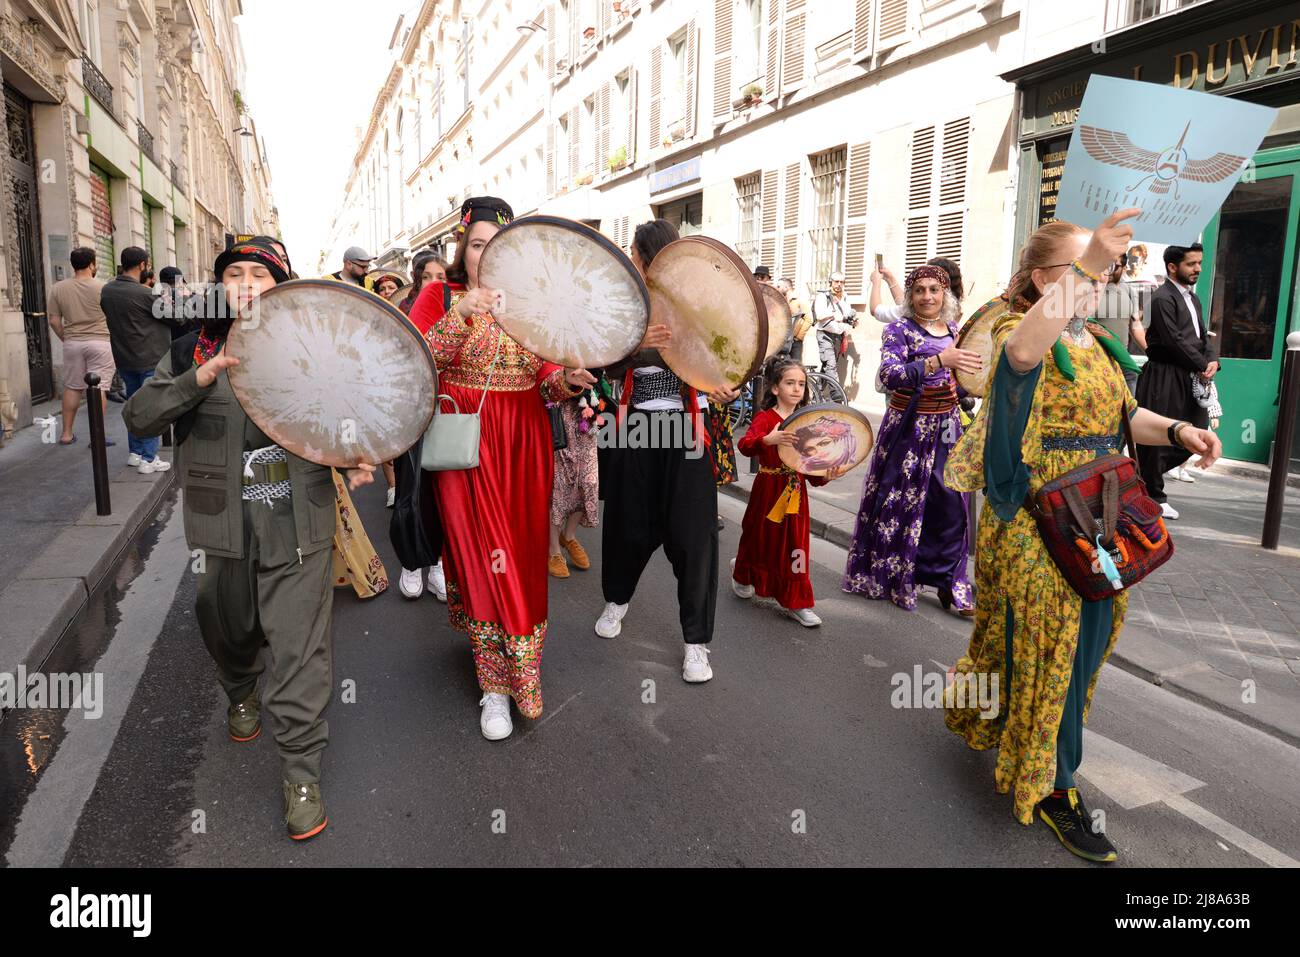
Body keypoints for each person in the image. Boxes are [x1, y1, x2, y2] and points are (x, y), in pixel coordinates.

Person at [943, 210, 1222, 862]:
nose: (1094, 281)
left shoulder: (1094, 341)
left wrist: (1181, 432)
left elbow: (1128, 417)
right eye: (1077, 269)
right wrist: (1096, 258)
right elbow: (1017, 357)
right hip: (1039, 527)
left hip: (1103, 519)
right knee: (1053, 657)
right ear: (1044, 278)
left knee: (1085, 648)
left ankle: (1019, 729)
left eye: (1097, 271)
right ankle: (1053, 785)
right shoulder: (1021, 332)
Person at [123, 238, 378, 840]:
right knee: (224, 620)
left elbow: (341, 420)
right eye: (232, 273)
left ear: (281, 284)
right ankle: (239, 686)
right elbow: (139, 417)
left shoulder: (314, 353)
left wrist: (353, 459)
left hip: (300, 519)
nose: (244, 282)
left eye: (257, 274)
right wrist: (197, 378)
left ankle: (301, 772)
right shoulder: (193, 347)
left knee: (299, 647)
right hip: (221, 524)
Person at [408, 196, 594, 741]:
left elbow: (546, 381)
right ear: (463, 249)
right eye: (479, 244)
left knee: (522, 556)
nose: (487, 254)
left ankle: (525, 670)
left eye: (500, 246)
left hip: (524, 444)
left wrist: (570, 382)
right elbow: (416, 361)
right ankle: (493, 685)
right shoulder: (440, 297)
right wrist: (458, 318)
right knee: (472, 556)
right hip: (464, 444)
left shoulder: (532, 307)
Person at [595, 219, 738, 684]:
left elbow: (727, 361)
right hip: (635, 425)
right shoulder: (627, 304)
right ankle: (617, 599)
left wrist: (726, 390)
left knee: (695, 535)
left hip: (686, 429)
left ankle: (696, 644)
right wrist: (638, 348)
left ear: (647, 254)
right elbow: (605, 365)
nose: (632, 260)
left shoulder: (698, 305)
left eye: (635, 252)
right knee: (627, 524)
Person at [843, 264, 979, 615]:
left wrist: (970, 383)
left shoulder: (952, 328)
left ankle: (952, 582)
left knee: (952, 505)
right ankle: (896, 575)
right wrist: (937, 362)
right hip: (909, 427)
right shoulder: (898, 330)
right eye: (920, 290)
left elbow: (959, 376)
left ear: (945, 295)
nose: (927, 296)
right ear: (911, 296)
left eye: (935, 290)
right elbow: (890, 376)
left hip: (948, 425)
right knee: (903, 504)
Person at [731, 356, 842, 626]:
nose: (796, 389)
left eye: (801, 384)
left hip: (795, 493)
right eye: (789, 382)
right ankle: (742, 574)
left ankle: (797, 601)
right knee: (757, 537)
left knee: (796, 546)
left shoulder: (806, 423)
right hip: (767, 489)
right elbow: (746, 445)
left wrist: (826, 473)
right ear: (774, 388)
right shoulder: (765, 417)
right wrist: (768, 439)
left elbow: (811, 466)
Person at [1135, 243, 1216, 520]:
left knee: (1197, 426)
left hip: (1189, 373)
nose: (1198, 269)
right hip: (1164, 374)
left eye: (1199, 263)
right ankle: (1153, 495)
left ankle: (1149, 481)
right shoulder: (1161, 298)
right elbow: (1173, 339)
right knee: (1158, 437)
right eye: (1191, 264)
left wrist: (1213, 360)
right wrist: (1203, 363)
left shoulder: (1193, 299)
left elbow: (1202, 336)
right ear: (1172, 267)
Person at [391, 249, 451, 599]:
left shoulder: (460, 312)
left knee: (445, 492)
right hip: (412, 414)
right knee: (410, 491)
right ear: (417, 279)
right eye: (427, 277)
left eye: (441, 278)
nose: (434, 284)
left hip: (449, 412)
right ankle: (411, 563)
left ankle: (440, 564)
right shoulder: (403, 312)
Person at [101, 246, 173, 473]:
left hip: (124, 356)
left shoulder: (107, 290)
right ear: (143, 265)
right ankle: (149, 459)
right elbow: (176, 318)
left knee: (133, 404)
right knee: (150, 406)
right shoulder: (145, 293)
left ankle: (135, 452)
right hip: (149, 356)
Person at [47, 247, 112, 446]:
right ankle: (97, 437)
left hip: (73, 343)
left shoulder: (58, 288)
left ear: (72, 265)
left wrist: (66, 338)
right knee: (99, 387)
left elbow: (54, 321)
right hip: (100, 341)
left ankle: (66, 433)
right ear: (92, 264)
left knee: (73, 387)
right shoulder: (103, 287)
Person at [547, 385, 599, 579]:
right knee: (559, 484)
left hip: (586, 415)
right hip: (559, 414)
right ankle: (554, 550)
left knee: (588, 481)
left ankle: (568, 536)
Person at [1092, 253, 1143, 396]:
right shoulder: (1091, 288)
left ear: (1124, 269)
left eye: (1114, 266)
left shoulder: (1129, 290)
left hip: (1122, 359)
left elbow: (1136, 325)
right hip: (1097, 358)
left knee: (1129, 408)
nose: (1109, 270)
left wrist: (1150, 350)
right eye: (1106, 265)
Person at [870, 257, 964, 324]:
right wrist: (890, 279)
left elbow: (876, 310)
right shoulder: (953, 313)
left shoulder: (915, 315)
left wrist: (876, 281)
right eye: (919, 290)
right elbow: (904, 304)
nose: (927, 297)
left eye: (933, 289)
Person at [810, 269, 857, 387]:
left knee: (828, 366)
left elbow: (846, 317)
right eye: (836, 282)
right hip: (825, 335)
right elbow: (819, 316)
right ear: (830, 282)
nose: (839, 284)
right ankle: (837, 399)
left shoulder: (845, 297)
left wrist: (853, 323)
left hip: (839, 336)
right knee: (831, 366)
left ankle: (817, 391)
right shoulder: (823, 296)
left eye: (842, 282)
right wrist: (833, 315)